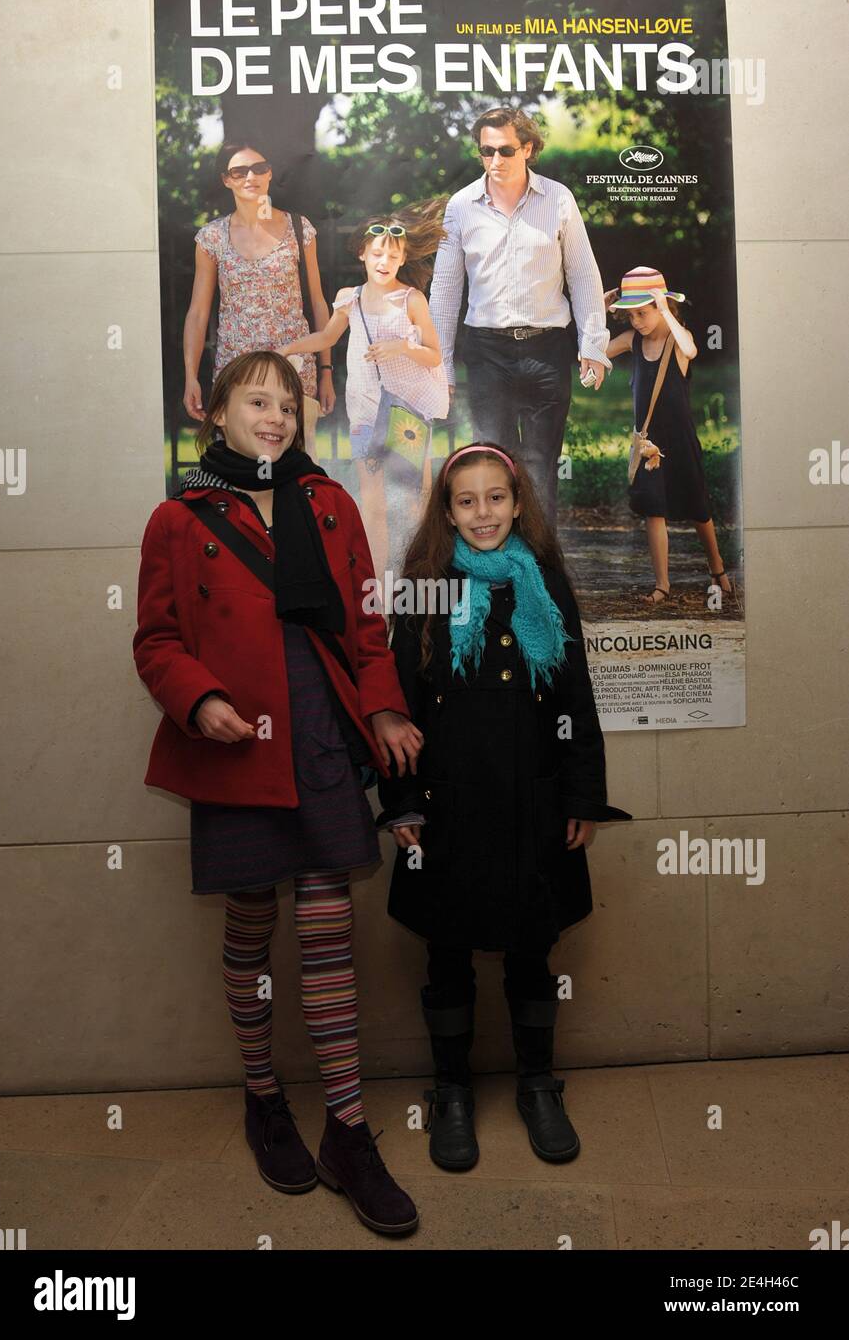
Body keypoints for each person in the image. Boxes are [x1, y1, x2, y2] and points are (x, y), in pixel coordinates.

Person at [132, 349, 423, 1236]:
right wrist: (200, 698)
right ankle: (263, 1097)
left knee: (329, 928)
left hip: (323, 735)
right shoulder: (178, 520)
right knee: (252, 927)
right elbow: (156, 640)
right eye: (256, 402)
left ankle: (345, 1130)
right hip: (235, 750)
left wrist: (381, 712)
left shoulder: (327, 503)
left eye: (288, 405)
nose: (276, 418)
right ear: (215, 413)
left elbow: (366, 625)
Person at [374, 442, 631, 1172]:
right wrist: (402, 806)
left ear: (517, 504)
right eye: (465, 501)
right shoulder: (424, 584)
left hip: (534, 800)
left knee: (530, 949)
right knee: (446, 952)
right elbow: (397, 705)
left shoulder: (545, 581)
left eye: (495, 498)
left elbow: (575, 697)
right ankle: (451, 1092)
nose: (481, 513)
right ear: (445, 511)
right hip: (446, 804)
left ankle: (537, 1086)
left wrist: (582, 794)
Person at [428, 106, 612, 526]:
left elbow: (583, 275)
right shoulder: (461, 206)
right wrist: (442, 369)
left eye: (506, 150)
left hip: (547, 349)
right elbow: (445, 290)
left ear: (528, 148)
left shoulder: (559, 199)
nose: (495, 161)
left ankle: (540, 567)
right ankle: (497, 562)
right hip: (487, 352)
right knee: (493, 463)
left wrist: (593, 345)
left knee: (541, 463)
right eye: (486, 151)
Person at [278, 201, 449, 599]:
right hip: (364, 414)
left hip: (405, 416)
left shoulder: (410, 300)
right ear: (362, 254)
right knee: (371, 503)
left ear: (403, 257)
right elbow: (326, 339)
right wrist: (288, 349)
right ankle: (380, 587)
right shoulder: (349, 299)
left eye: (393, 255)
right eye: (377, 254)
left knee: (415, 502)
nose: (384, 261)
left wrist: (400, 347)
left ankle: (420, 579)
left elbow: (434, 355)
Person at [183, 141, 336, 437]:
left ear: (269, 174)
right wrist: (191, 376)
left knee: (295, 461)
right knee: (240, 463)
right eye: (239, 172)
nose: (250, 177)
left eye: (258, 169)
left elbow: (318, 303)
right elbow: (198, 313)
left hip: (293, 366)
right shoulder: (211, 237)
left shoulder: (299, 228)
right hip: (236, 369)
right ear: (227, 180)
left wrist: (326, 371)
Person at [605, 266, 735, 607]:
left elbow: (690, 349)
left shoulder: (676, 341)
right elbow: (595, 350)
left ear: (662, 307)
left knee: (698, 508)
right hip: (649, 445)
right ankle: (662, 585)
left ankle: (717, 568)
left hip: (681, 440)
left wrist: (664, 311)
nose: (636, 321)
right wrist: (599, 312)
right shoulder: (632, 341)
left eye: (642, 313)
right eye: (630, 315)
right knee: (654, 509)